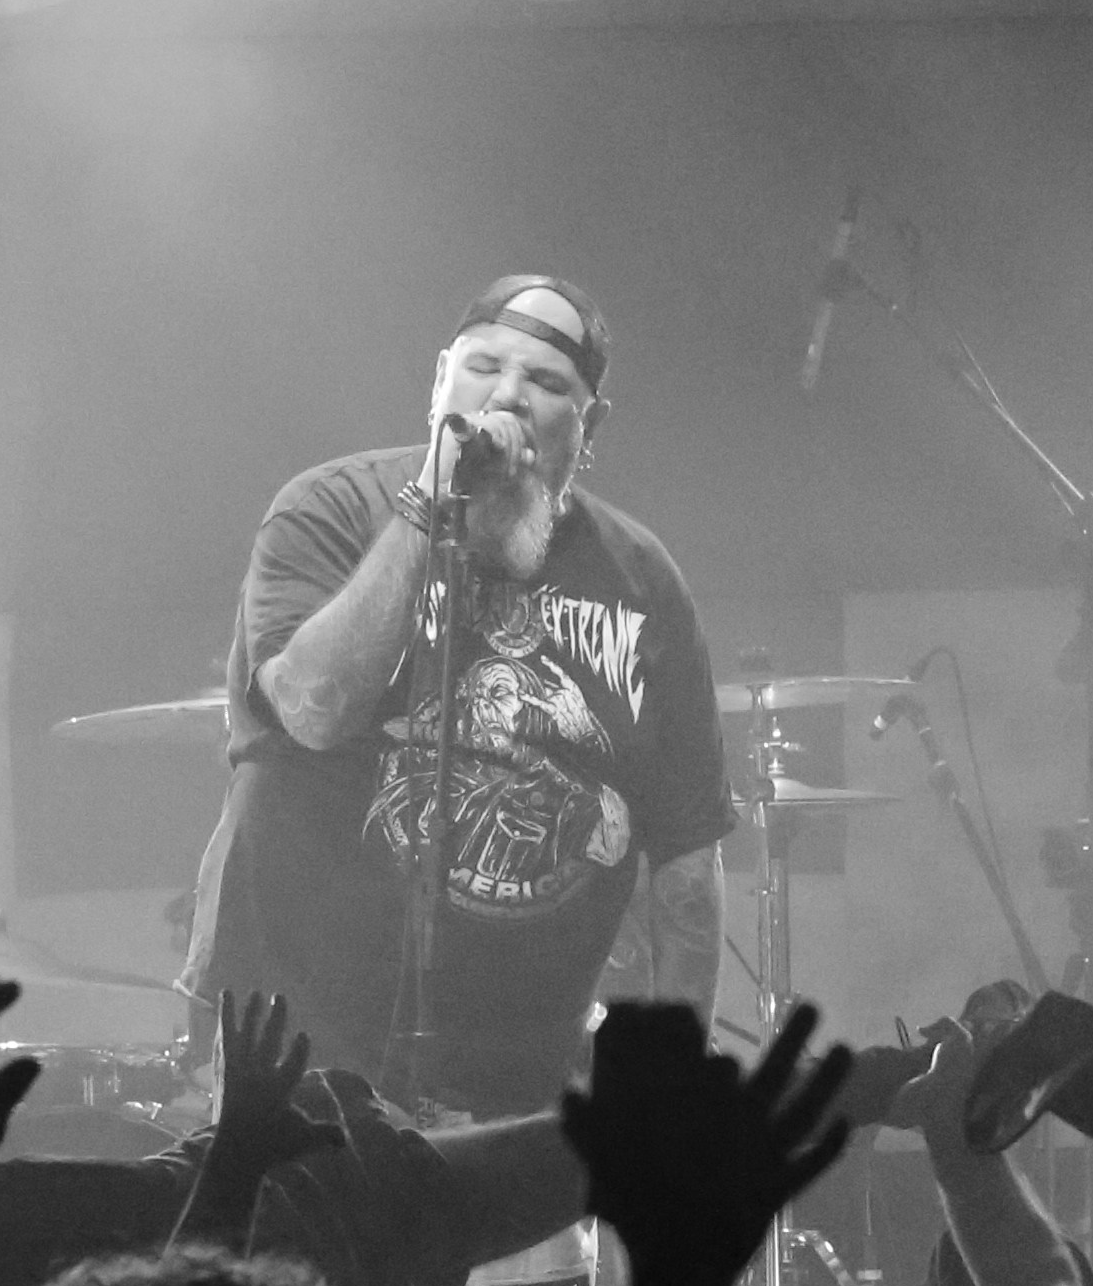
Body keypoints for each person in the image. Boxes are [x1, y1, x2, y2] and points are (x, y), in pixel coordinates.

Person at [187, 274, 734, 1114]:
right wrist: (429, 506)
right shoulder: (330, 509)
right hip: (297, 1053)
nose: (507, 397)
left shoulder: (642, 579)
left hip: (525, 1078)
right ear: (440, 379)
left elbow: (688, 860)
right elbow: (314, 707)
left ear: (590, 427)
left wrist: (672, 1082)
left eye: (547, 383)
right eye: (484, 367)